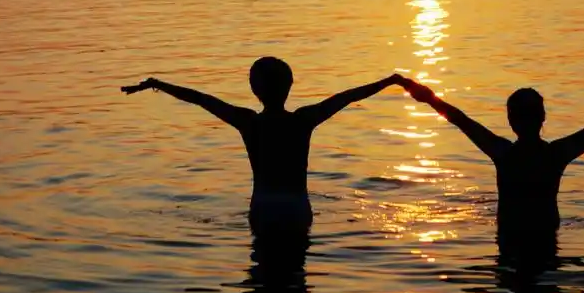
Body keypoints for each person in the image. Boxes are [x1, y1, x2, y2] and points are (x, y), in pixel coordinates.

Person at [121, 57, 406, 232]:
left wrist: (155, 83)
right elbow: (347, 96)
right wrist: (391, 81)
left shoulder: (248, 123)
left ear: (254, 89)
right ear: (290, 86)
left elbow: (200, 98)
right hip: (297, 211)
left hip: (263, 211)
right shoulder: (303, 120)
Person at [401, 81, 584, 238]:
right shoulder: (556, 155)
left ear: (510, 120)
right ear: (543, 118)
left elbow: (460, 119)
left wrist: (426, 96)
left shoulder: (503, 153)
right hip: (547, 236)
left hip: (510, 237)